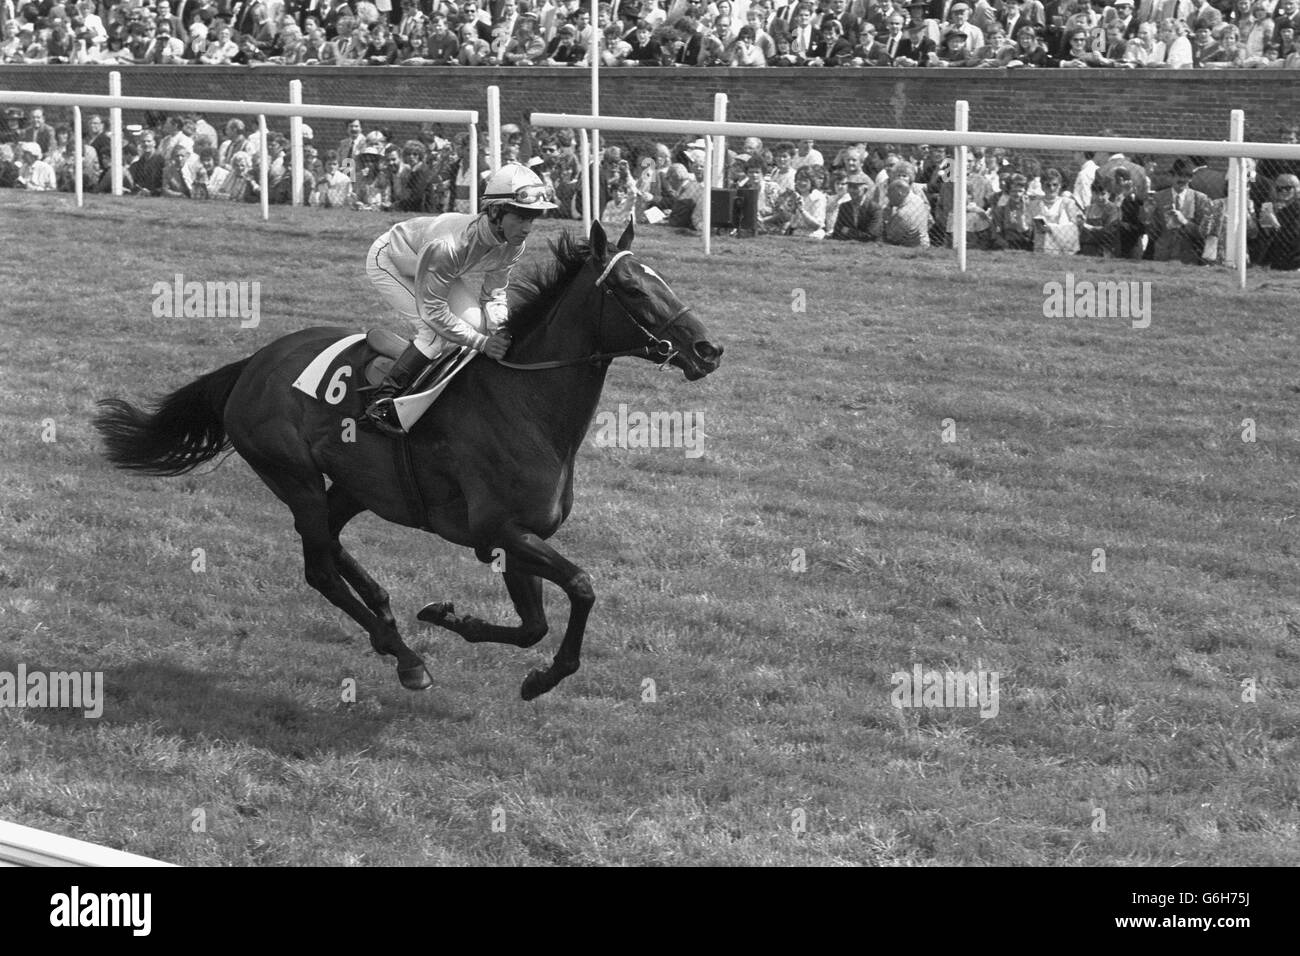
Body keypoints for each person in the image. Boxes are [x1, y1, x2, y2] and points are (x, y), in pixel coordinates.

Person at [361, 163, 558, 437]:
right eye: (521, 217)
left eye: (532, 219)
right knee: (434, 335)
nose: (527, 228)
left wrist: (498, 332)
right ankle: (381, 403)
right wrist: (483, 343)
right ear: (495, 212)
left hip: (436, 267)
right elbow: (433, 312)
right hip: (391, 260)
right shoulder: (448, 246)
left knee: (477, 326)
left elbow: (494, 294)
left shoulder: (513, 244)